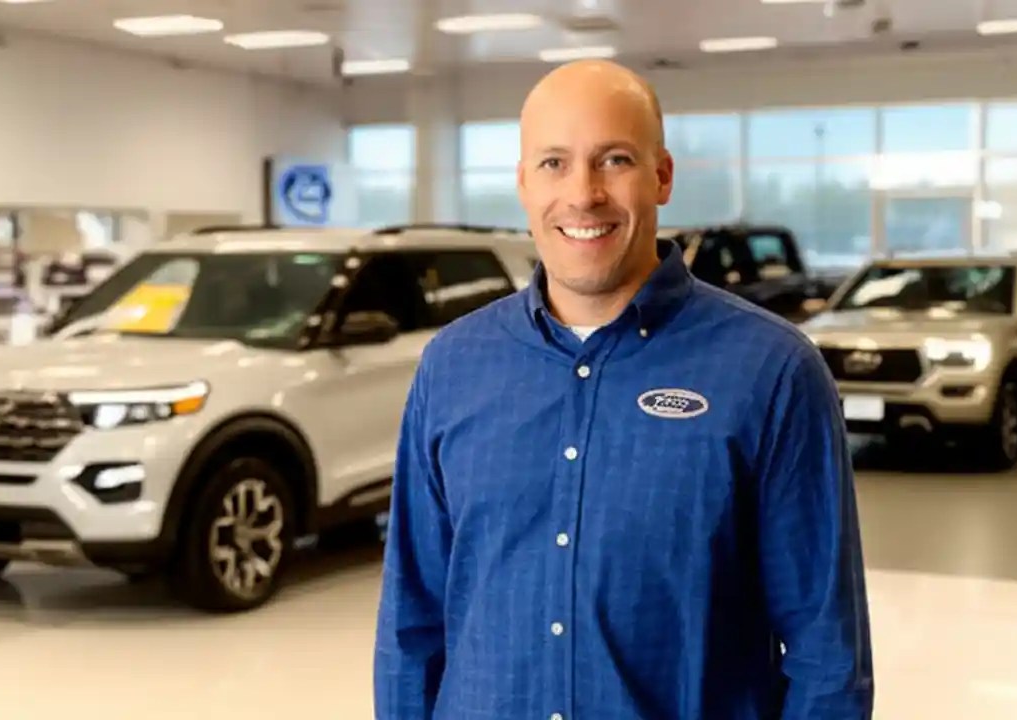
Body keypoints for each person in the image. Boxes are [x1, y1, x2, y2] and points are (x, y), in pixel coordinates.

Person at [373, 60, 874, 719]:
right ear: (522, 182)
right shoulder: (452, 367)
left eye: (614, 160)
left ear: (662, 175)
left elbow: (826, 657)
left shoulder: (771, 371)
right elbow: (412, 627)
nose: (583, 194)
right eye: (554, 163)